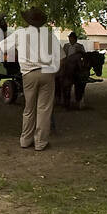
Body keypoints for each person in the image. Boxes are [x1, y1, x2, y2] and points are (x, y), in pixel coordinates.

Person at [15, 8, 63, 151]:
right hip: (47, 74)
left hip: (28, 75)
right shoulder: (49, 35)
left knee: (29, 108)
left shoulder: (20, 34)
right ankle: (40, 143)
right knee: (44, 109)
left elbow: (0, 47)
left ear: (27, 20)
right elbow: (62, 58)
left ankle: (25, 140)